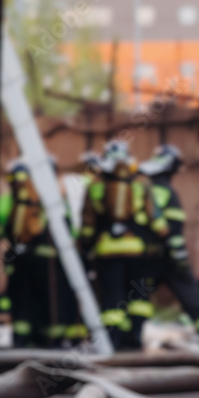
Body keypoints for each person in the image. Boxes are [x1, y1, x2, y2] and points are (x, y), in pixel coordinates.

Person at [79, 140, 166, 350]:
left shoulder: (95, 186)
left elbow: (87, 225)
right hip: (136, 250)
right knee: (138, 295)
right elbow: (156, 219)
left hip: (107, 251)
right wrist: (161, 240)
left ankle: (114, 341)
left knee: (112, 296)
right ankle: (135, 336)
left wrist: (86, 247)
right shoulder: (141, 183)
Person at [139, 144, 199, 339]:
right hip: (168, 256)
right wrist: (179, 256)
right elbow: (173, 231)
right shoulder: (167, 192)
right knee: (187, 290)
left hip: (147, 255)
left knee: (139, 297)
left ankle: (130, 334)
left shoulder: (144, 191)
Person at [0, 157, 75, 348]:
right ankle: (50, 340)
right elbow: (68, 229)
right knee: (49, 300)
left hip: (19, 258)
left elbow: (3, 227)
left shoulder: (14, 199)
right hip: (47, 260)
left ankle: (21, 339)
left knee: (22, 299)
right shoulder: (50, 197)